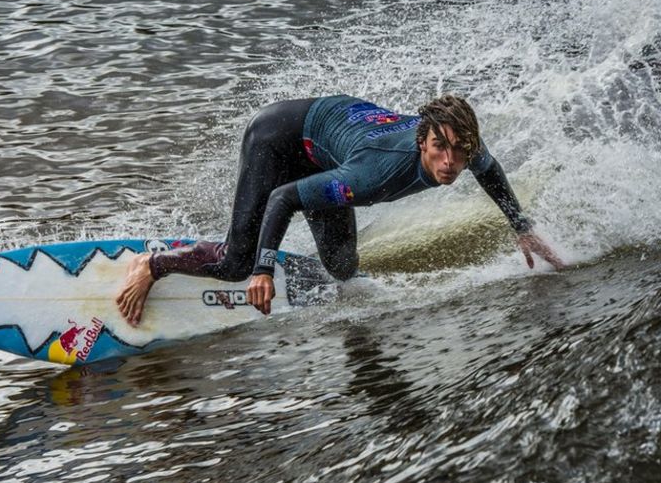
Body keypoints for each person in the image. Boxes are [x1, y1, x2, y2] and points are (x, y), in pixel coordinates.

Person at [115, 94, 564, 326]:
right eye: (438, 149)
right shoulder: (377, 172)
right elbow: (284, 198)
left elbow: (489, 169)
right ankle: (152, 265)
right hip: (279, 138)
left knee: (343, 267)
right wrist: (264, 270)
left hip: (323, 152)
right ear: (422, 140)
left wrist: (520, 226)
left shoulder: (464, 143)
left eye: (459, 153)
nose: (450, 163)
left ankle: (281, 267)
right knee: (238, 262)